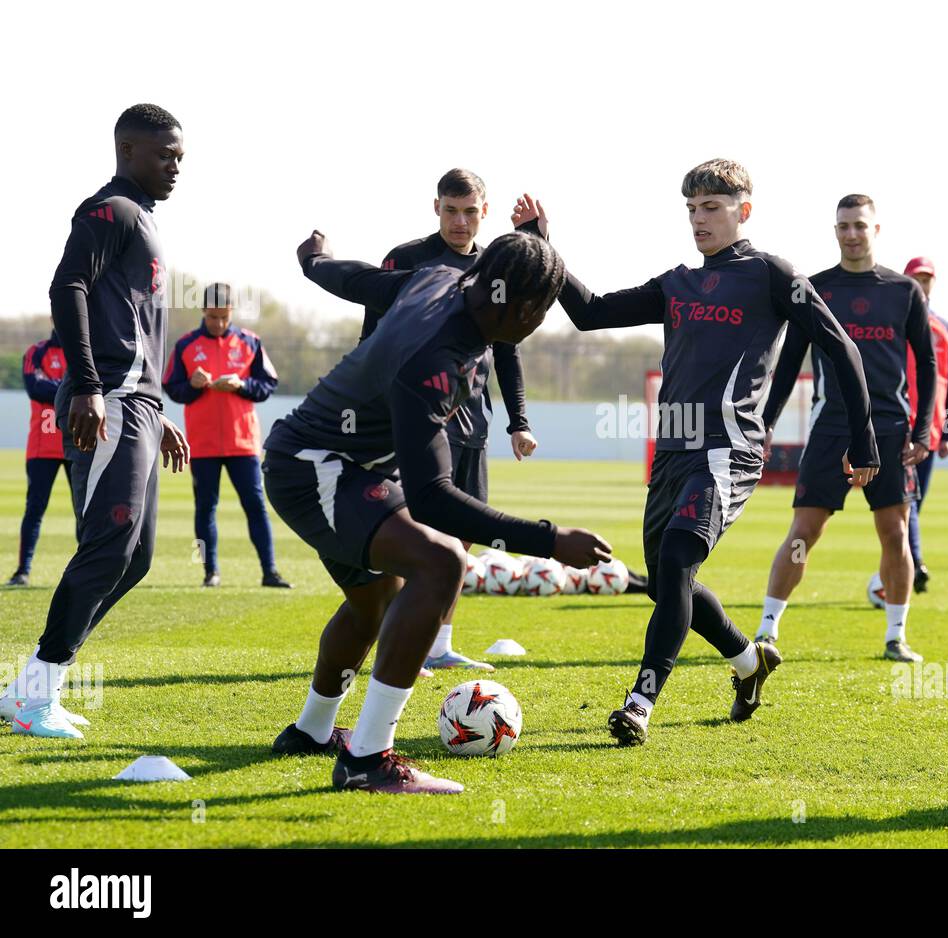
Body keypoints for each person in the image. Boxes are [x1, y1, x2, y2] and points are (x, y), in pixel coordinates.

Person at [517, 159, 879, 746]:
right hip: (673, 454)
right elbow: (590, 314)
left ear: (745, 210)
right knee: (666, 585)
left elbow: (843, 348)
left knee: (681, 562)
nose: (699, 219)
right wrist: (543, 247)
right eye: (691, 208)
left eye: (711, 207)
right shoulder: (678, 281)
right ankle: (747, 661)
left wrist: (863, 439)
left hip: (728, 449)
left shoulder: (770, 273)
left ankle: (640, 702)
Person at [264, 227, 610, 794]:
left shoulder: (439, 277)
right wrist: (550, 540)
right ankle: (367, 759)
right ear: (521, 309)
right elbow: (431, 499)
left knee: (376, 597)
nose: (540, 322)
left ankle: (311, 731)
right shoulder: (436, 360)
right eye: (542, 310)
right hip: (316, 468)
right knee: (441, 562)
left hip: (338, 465)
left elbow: (360, 281)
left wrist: (314, 262)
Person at [0, 104, 191, 739]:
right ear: (128, 149)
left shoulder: (144, 221)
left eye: (180, 158)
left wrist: (155, 407)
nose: (175, 167)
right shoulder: (109, 210)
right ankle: (37, 691)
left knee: (133, 558)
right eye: (165, 155)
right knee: (110, 544)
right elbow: (67, 288)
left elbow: (133, 326)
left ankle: (30, 686)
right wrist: (87, 385)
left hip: (135, 403)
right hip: (105, 400)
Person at [365, 168, 532, 671]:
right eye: (450, 210)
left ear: (485, 210)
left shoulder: (496, 269)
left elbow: (507, 350)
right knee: (410, 536)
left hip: (473, 424)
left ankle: (437, 648)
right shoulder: (406, 260)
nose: (460, 222)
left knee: (462, 538)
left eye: (470, 211)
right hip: (416, 421)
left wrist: (518, 421)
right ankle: (394, 638)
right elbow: (372, 336)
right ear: (435, 207)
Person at [756, 196, 936, 662]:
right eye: (843, 226)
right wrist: (767, 423)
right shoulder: (814, 290)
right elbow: (790, 359)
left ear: (877, 229)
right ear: (834, 230)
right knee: (803, 532)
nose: (851, 234)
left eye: (859, 225)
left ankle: (896, 636)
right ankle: (768, 630)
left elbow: (928, 364)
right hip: (832, 426)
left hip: (890, 429)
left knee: (895, 533)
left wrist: (921, 432)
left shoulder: (903, 291)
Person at [164, 283, 290, 588]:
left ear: (231, 312)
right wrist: (192, 385)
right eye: (212, 317)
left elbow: (268, 385)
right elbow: (172, 387)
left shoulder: (250, 342)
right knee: (205, 508)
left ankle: (270, 571)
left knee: (256, 505)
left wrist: (241, 385)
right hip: (203, 443)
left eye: (223, 317)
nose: (218, 323)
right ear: (203, 312)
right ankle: (209, 572)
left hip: (242, 442)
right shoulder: (185, 345)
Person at [903, 256, 948, 592]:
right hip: (899, 422)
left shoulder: (943, 325)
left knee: (914, 501)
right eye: (916, 277)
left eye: (927, 279)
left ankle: (903, 565)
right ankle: (914, 562)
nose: (922, 284)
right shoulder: (894, 319)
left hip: (931, 426)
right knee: (906, 500)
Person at [7, 327, 71, 587]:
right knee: (34, 509)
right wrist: (69, 386)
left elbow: (92, 387)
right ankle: (22, 571)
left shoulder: (85, 351)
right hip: (42, 446)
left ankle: (89, 575)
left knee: (85, 511)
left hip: (77, 443)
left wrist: (53, 383)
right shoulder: (36, 352)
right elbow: (35, 388)